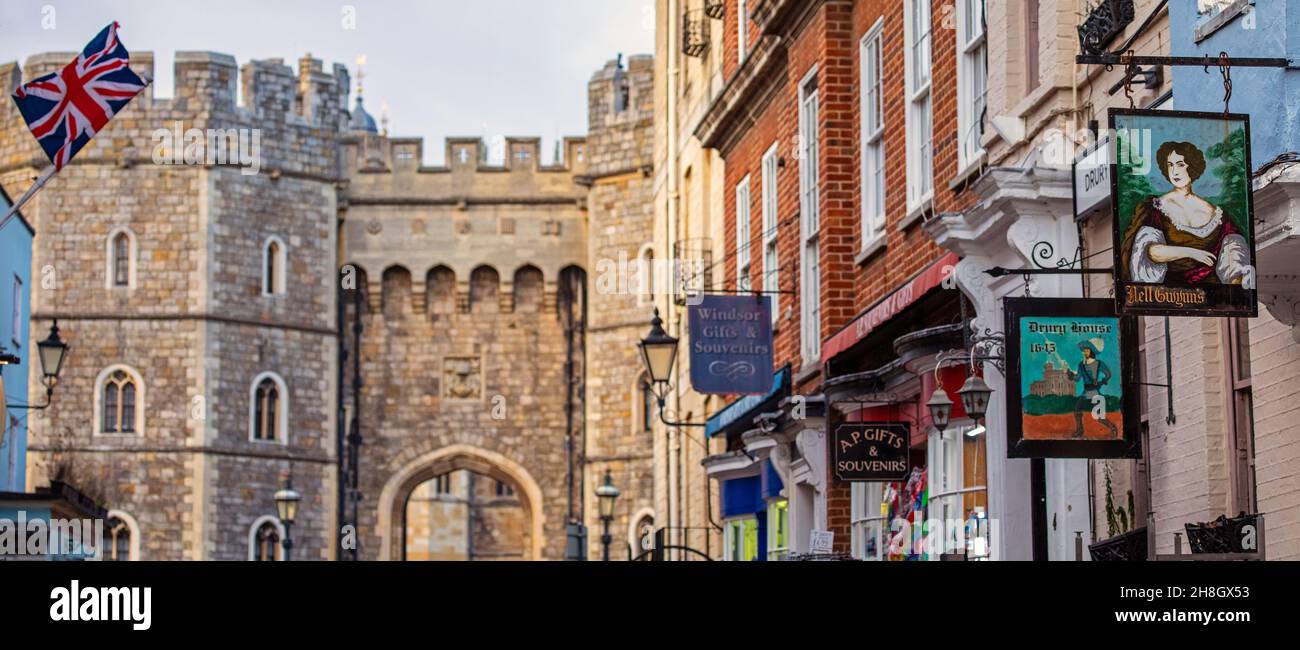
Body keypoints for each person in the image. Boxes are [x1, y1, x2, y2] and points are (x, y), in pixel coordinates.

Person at [1119, 141, 1255, 287]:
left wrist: (1239, 281)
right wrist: (1191, 252)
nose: (1174, 171)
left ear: (1193, 166)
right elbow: (1151, 252)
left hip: (1213, 298)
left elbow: (1233, 251)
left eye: (1180, 164)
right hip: (1170, 296)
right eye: (1170, 165)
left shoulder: (1216, 214)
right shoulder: (1156, 208)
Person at [1066, 339, 1118, 439]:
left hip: (1094, 392)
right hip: (1085, 392)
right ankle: (1080, 430)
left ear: (1092, 352)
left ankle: (1112, 428)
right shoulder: (1081, 365)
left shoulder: (1099, 363)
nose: (1085, 352)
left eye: (1087, 350)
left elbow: (1108, 374)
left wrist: (1102, 381)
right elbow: (1078, 378)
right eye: (1084, 351)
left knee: (1099, 417)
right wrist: (1071, 376)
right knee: (1077, 409)